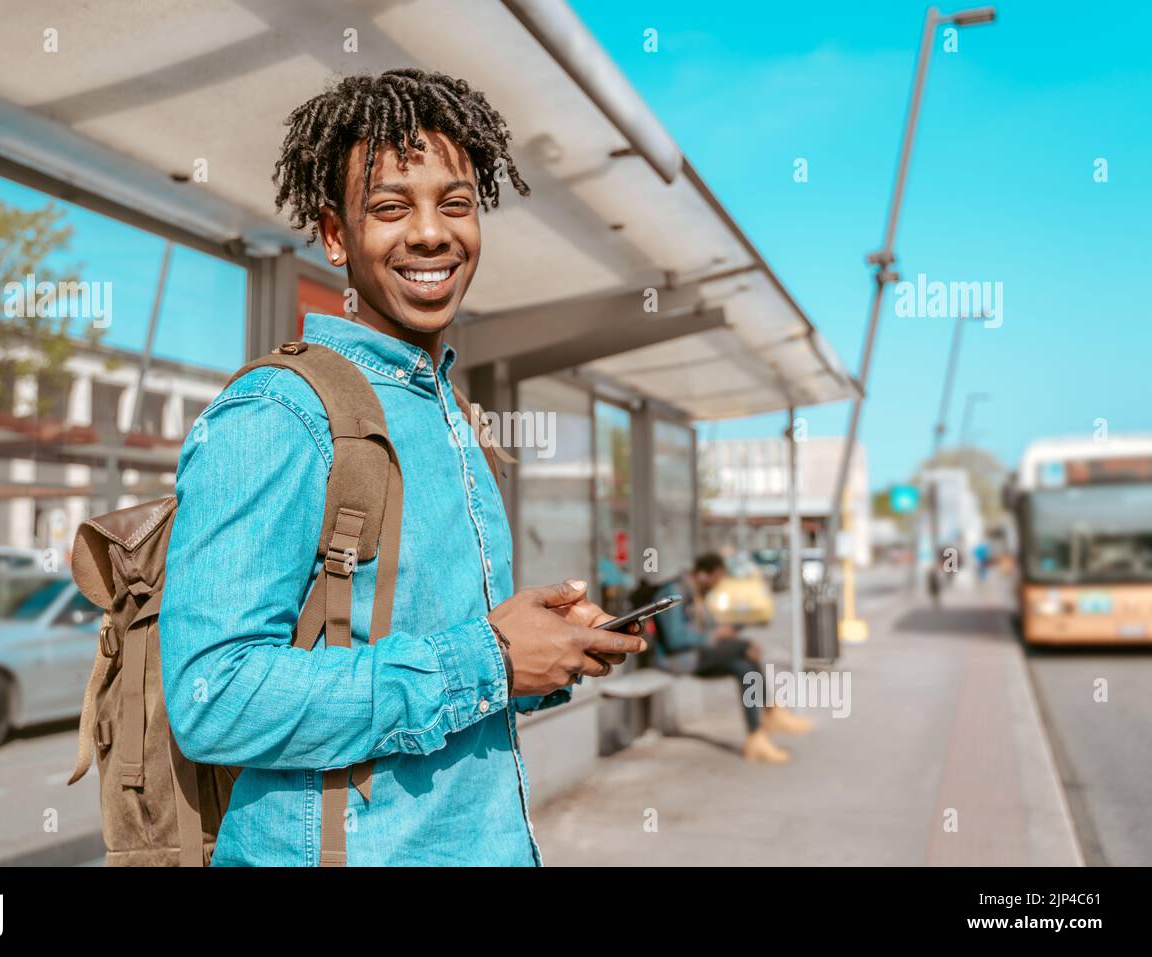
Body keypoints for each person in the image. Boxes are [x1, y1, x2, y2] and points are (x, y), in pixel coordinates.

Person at [158, 69, 646, 866]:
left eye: (455, 204)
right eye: (390, 207)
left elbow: (443, 656)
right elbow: (215, 697)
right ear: (335, 234)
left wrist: (542, 652)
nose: (430, 234)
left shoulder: (447, 412)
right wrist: (488, 656)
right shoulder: (278, 413)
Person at [652, 553, 812, 763]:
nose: (717, 586)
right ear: (703, 575)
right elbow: (675, 638)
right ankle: (770, 713)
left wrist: (721, 632)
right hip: (677, 659)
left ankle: (757, 737)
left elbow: (708, 627)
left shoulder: (696, 594)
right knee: (745, 649)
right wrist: (715, 637)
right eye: (716, 580)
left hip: (695, 655)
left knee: (744, 668)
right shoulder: (673, 592)